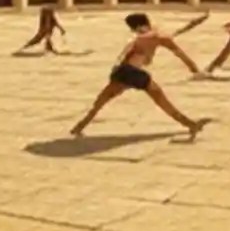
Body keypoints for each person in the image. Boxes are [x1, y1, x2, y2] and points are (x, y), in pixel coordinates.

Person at [68, 13, 210, 140]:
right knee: (161, 99)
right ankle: (190, 124)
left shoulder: (143, 37)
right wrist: (194, 69)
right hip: (133, 72)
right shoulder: (156, 36)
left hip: (121, 71)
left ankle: (80, 125)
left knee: (101, 100)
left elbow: (129, 53)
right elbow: (179, 53)